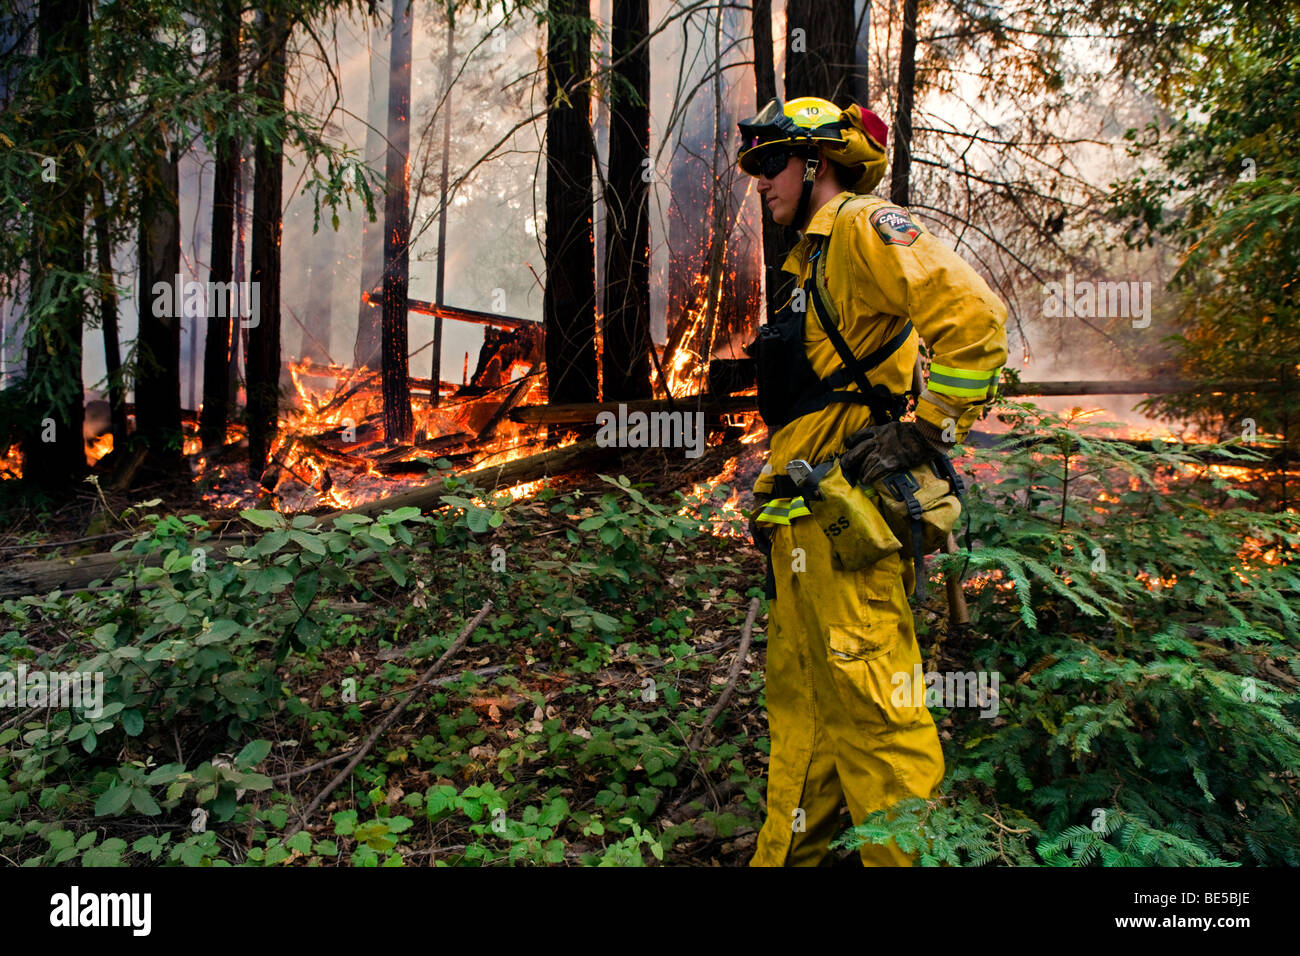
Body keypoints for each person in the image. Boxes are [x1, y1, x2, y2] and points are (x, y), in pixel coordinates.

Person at [737, 96, 1009, 866]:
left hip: (847, 534)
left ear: (816, 161)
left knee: (879, 726)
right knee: (810, 716)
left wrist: (925, 427)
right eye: (755, 167)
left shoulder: (861, 226)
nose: (760, 181)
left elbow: (977, 320)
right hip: (804, 532)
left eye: (771, 163)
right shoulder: (813, 260)